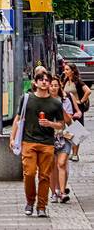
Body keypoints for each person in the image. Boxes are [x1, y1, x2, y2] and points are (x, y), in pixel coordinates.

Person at [11, 67, 66, 217]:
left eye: (47, 80)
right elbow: (18, 118)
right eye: (41, 79)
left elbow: (61, 124)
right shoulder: (27, 99)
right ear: (35, 83)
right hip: (28, 141)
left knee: (44, 176)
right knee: (28, 173)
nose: (44, 82)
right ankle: (30, 201)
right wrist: (12, 137)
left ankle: (41, 206)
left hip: (47, 143)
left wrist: (50, 124)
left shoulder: (55, 103)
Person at [49, 74, 74, 204]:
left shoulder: (65, 101)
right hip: (49, 138)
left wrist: (61, 109)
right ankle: (54, 192)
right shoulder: (45, 101)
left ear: (60, 87)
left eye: (56, 85)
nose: (53, 88)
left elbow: (69, 121)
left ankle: (63, 193)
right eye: (51, 85)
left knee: (62, 163)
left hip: (64, 136)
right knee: (52, 166)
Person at [64, 64, 90, 163]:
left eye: (67, 69)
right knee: (69, 130)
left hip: (77, 109)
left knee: (77, 131)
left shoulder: (78, 81)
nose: (65, 71)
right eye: (65, 69)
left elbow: (88, 91)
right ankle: (71, 151)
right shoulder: (65, 80)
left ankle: (75, 154)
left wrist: (81, 101)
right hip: (67, 108)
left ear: (72, 71)